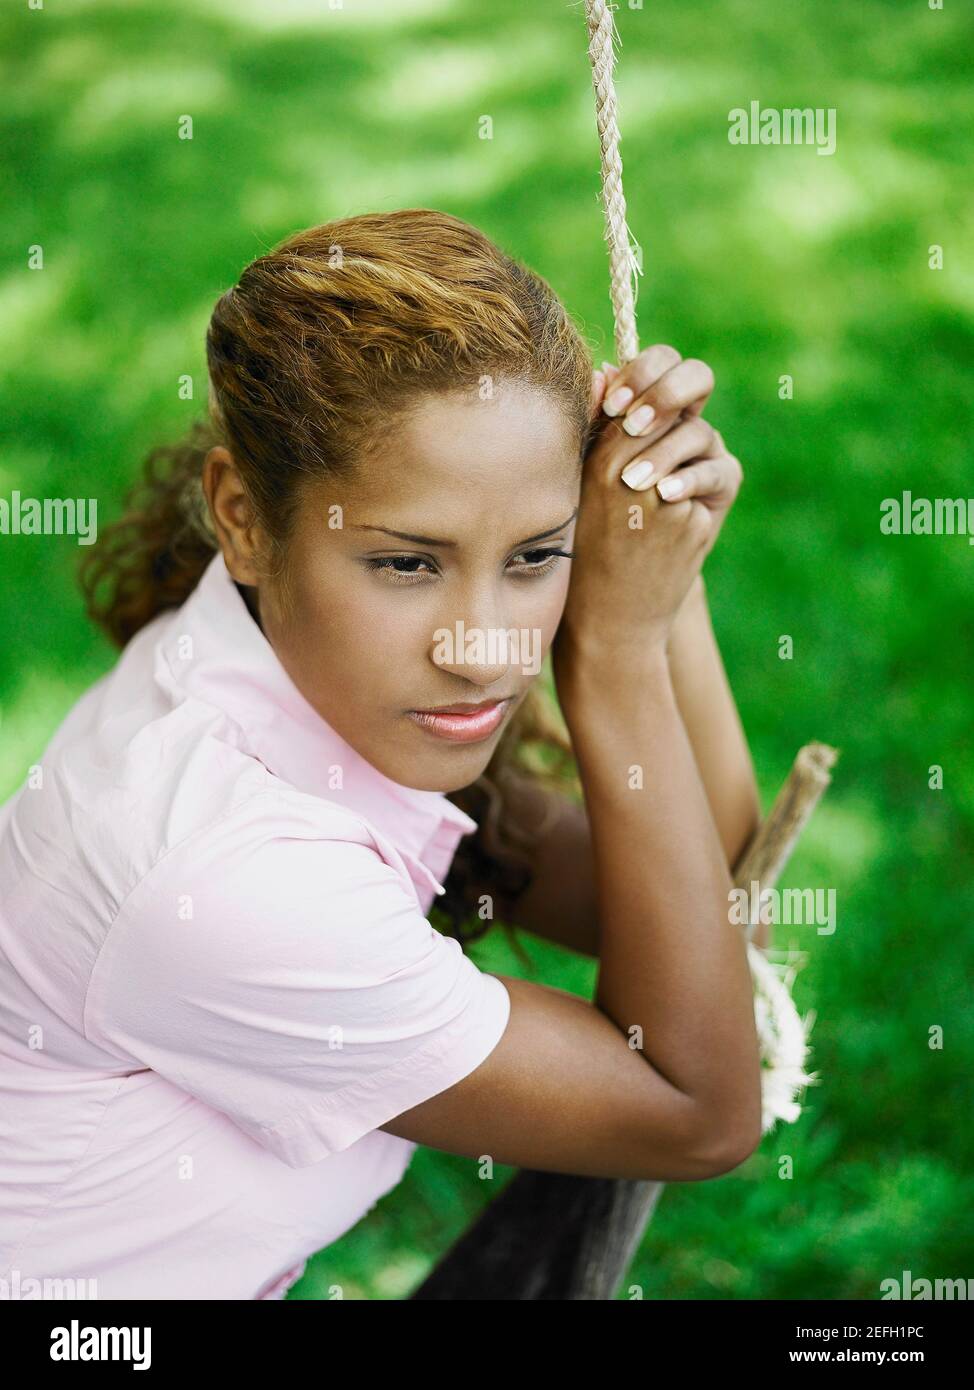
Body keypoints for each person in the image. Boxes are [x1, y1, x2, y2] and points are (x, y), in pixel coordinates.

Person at [0, 209, 764, 1301]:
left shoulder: (298, 676)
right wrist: (617, 650)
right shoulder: (229, 876)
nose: (483, 646)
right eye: (407, 564)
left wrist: (656, 562)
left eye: (538, 553)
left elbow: (720, 895)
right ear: (244, 519)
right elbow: (695, 1110)